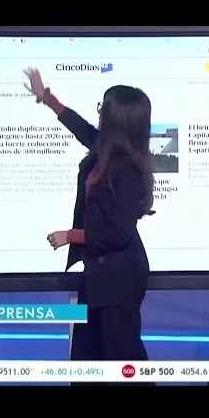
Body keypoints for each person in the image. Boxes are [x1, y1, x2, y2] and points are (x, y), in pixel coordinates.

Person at [23, 67, 154, 362]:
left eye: (102, 109)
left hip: (119, 278)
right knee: (86, 358)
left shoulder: (128, 171)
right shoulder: (104, 150)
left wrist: (71, 236)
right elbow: (80, 127)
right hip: (99, 273)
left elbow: (120, 234)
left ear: (115, 120)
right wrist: (45, 96)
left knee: (123, 359)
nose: (98, 114)